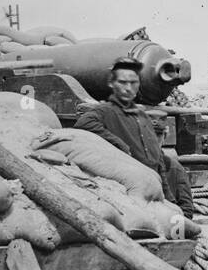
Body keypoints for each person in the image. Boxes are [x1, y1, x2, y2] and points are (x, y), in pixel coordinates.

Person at [74, 57, 195, 218]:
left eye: (133, 83)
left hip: (154, 190)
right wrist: (119, 145)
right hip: (132, 190)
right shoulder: (105, 111)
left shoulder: (142, 117)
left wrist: (170, 199)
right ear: (112, 84)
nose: (128, 88)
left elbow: (157, 160)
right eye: (123, 83)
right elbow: (84, 124)